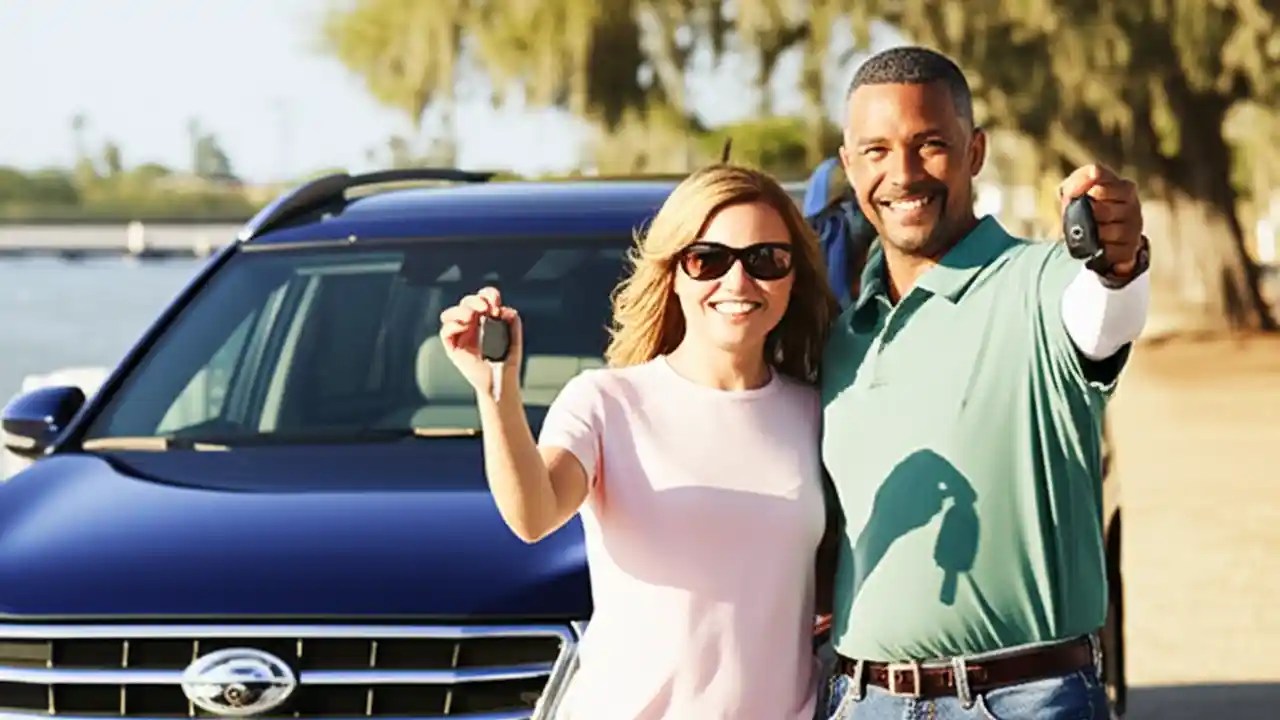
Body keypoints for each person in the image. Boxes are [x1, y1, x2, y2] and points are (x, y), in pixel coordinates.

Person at [818, 46, 1151, 719]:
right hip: (862, 701)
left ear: (974, 152)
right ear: (850, 165)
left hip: (1024, 702)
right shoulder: (838, 338)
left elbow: (1103, 310)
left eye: (930, 144)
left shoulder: (1042, 283)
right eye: (876, 151)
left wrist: (1119, 259)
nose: (903, 174)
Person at [437, 164, 839, 720]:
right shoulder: (607, 402)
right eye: (709, 260)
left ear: (794, 278)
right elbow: (533, 514)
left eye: (766, 259)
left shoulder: (818, 414)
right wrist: (496, 392)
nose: (738, 282)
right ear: (674, 273)